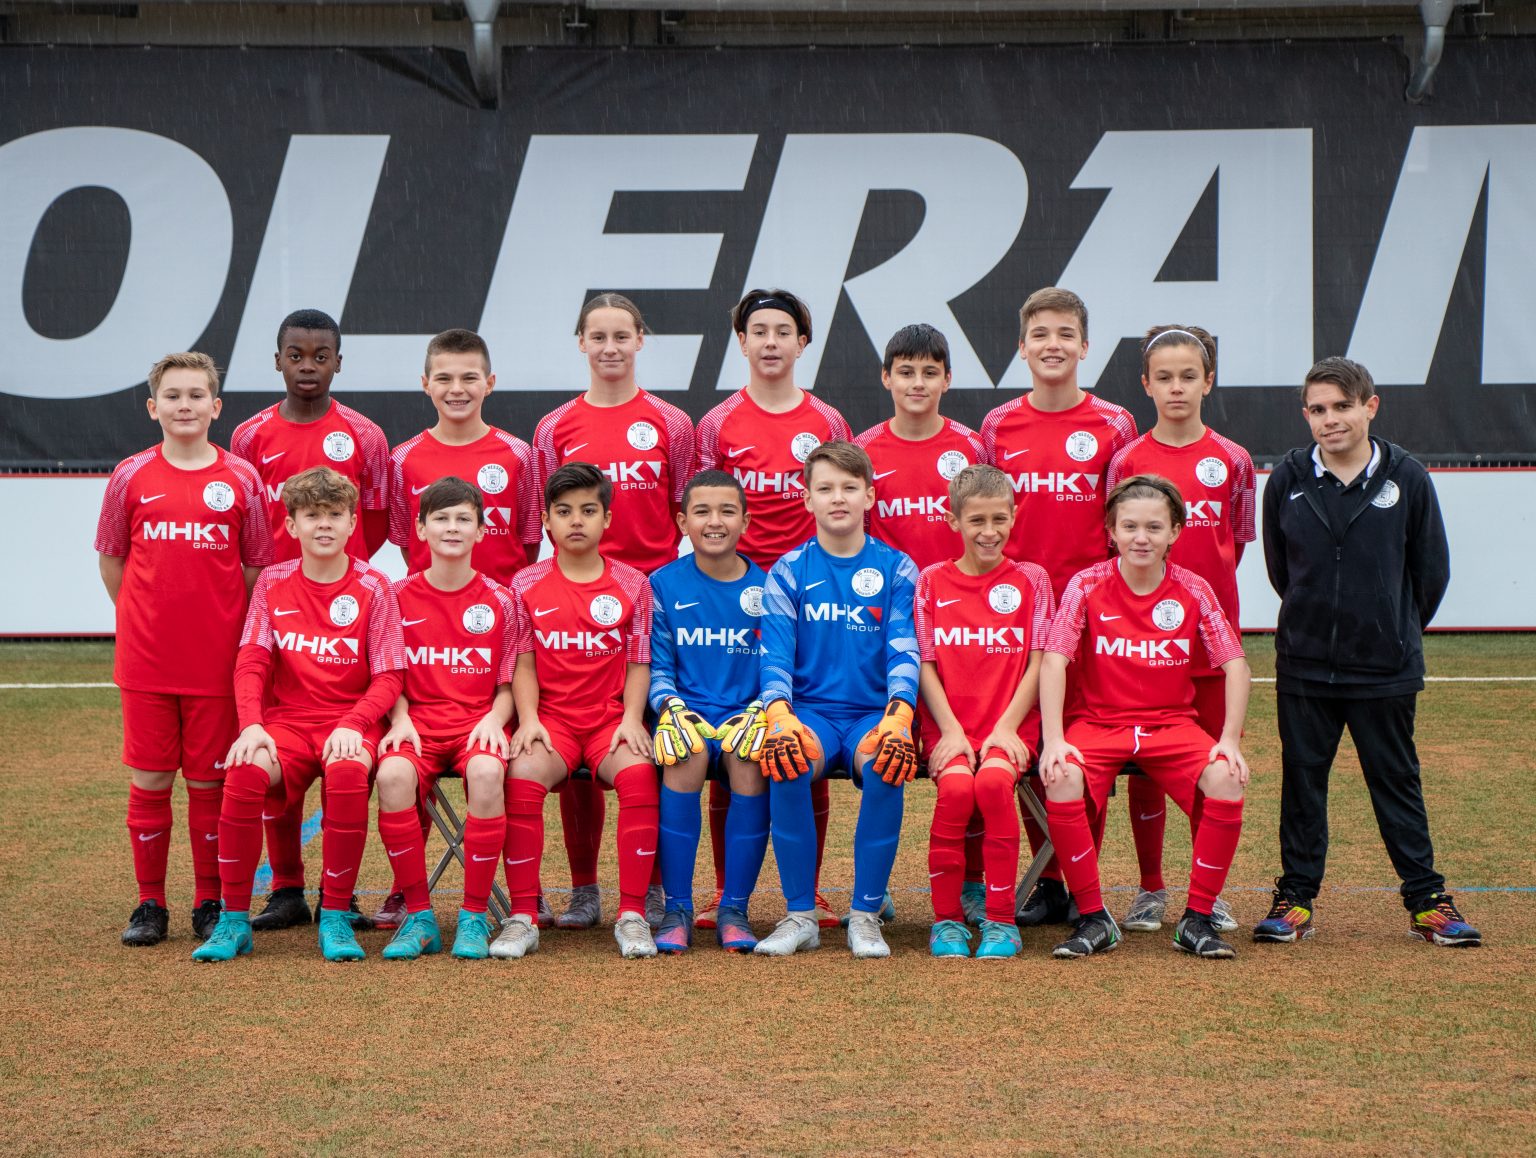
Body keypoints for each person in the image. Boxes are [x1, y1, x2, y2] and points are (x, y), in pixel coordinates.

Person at [1255, 357, 1480, 948]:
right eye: (1318, 410)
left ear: (1369, 407)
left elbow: (1430, 572)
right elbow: (1283, 571)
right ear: (1306, 415)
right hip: (1304, 667)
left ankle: (1428, 900)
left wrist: (1392, 630)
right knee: (1303, 784)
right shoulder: (1288, 478)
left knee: (1396, 780)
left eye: (1342, 407)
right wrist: (1316, 623)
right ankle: (1295, 898)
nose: (1331, 420)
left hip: (1384, 669)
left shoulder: (1407, 477)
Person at [193, 467, 405, 963]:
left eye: (335, 514)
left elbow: (390, 676)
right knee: (244, 772)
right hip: (287, 722)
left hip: (350, 719)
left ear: (354, 523)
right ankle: (232, 921)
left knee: (350, 770)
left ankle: (333, 916)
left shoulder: (376, 585)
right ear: (291, 525)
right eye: (312, 515)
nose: (324, 525)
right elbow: (252, 661)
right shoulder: (272, 582)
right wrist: (251, 725)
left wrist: (354, 725)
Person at [532, 293, 695, 933]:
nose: (609, 347)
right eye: (597, 336)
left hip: (650, 595)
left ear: (640, 341)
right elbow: (541, 512)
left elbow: (687, 503)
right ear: (580, 343)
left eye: (621, 335)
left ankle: (651, 889)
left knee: (648, 737)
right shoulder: (555, 427)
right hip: (573, 600)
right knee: (572, 740)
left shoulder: (672, 422)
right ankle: (584, 889)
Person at [97, 352, 271, 946]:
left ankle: (207, 898)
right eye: (173, 396)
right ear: (153, 408)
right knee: (149, 780)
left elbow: (254, 570)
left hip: (217, 663)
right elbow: (113, 561)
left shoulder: (242, 479)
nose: (185, 405)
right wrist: (146, 620)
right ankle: (149, 904)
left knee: (208, 784)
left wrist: (223, 629)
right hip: (146, 661)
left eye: (197, 395)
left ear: (216, 407)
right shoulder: (130, 475)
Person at [1037, 474, 1250, 959]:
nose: (1141, 537)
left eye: (1154, 527)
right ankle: (1094, 918)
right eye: (1129, 526)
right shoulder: (1087, 584)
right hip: (1099, 725)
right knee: (1062, 777)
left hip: (1172, 726)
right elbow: (1054, 659)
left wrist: (1230, 740)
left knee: (1227, 778)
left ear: (1175, 530)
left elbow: (1235, 664)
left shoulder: (1192, 588)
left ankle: (1196, 920)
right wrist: (1054, 738)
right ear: (1110, 530)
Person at [980, 287, 1138, 927]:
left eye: (1065, 334)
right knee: (1030, 741)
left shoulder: (1115, 424)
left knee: (1081, 745)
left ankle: (1079, 879)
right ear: (1022, 347)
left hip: (1091, 616)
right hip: (1015, 612)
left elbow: (1128, 523)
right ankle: (1050, 882)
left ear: (1085, 346)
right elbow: (985, 519)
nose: (1053, 345)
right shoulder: (997, 426)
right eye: (1040, 334)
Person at [230, 308, 390, 933]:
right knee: (275, 747)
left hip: (342, 605)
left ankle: (338, 895)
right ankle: (288, 888)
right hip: (274, 606)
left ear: (338, 363)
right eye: (296, 355)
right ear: (277, 361)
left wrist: (345, 582)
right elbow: (246, 529)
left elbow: (373, 519)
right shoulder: (249, 435)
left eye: (320, 356)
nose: (307, 367)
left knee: (343, 755)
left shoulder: (364, 435)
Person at [375, 328, 540, 931]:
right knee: (402, 762)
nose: (457, 388)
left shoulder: (519, 455)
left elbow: (526, 541)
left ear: (490, 383)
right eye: (444, 377)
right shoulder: (403, 458)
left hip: (499, 647)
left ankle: (527, 889)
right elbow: (400, 538)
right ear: (425, 385)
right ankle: (404, 888)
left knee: (513, 764)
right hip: (426, 644)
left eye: (470, 377)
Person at [696, 288, 851, 928]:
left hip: (809, 601)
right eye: (757, 330)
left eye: (782, 331)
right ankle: (725, 893)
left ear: (801, 343)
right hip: (737, 599)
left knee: (798, 733)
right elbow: (705, 507)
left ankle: (806, 890)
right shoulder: (717, 424)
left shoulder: (829, 422)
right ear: (741, 340)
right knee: (727, 734)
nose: (769, 342)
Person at [1105, 325, 1254, 935]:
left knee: (1209, 763)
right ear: (1145, 384)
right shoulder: (1128, 459)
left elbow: (1235, 543)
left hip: (1209, 644)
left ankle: (1205, 891)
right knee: (1143, 763)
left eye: (1188, 376)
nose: (1176, 387)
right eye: (1163, 377)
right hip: (1143, 641)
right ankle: (1149, 887)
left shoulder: (1233, 459)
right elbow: (1115, 543)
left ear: (1208, 381)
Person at [754, 441, 920, 959]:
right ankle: (801, 913)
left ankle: (866, 915)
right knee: (785, 760)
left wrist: (900, 716)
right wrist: (779, 714)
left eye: (849, 488)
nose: (838, 498)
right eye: (825, 489)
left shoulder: (898, 569)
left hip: (874, 713)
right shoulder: (786, 570)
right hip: (812, 715)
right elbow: (775, 658)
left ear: (870, 495)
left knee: (887, 762)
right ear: (806, 500)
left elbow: (904, 651)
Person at [853, 323, 991, 921]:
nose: (917, 382)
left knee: (967, 750)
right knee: (883, 755)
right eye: (905, 371)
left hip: (960, 628)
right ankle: (870, 893)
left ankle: (974, 883)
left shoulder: (970, 448)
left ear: (947, 379)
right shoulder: (863, 451)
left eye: (929, 371)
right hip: (881, 630)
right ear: (886, 378)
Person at [496, 463, 659, 960]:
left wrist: (632, 719)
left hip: (610, 721)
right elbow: (522, 662)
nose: (576, 521)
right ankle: (522, 918)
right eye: (564, 512)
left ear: (607, 518)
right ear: (546, 520)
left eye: (588, 511)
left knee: (638, 775)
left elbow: (639, 661)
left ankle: (632, 915)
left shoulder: (633, 584)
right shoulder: (525, 583)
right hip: (554, 723)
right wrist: (529, 721)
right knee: (521, 776)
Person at [372, 477, 518, 961]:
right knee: (392, 773)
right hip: (415, 724)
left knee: (487, 770)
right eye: (441, 518)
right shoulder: (394, 596)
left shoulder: (501, 598)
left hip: (478, 724)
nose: (452, 528)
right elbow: (388, 670)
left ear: (481, 531)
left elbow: (507, 683)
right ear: (420, 528)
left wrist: (496, 719)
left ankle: (474, 917)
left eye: (463, 519)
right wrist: (399, 718)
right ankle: (419, 917)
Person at [914, 466, 1053, 959]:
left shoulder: (1032, 579)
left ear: (1015, 516)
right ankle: (946, 920)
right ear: (953, 521)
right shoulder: (931, 581)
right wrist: (949, 730)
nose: (988, 531)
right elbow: (925, 665)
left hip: (1010, 724)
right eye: (976, 520)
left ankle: (1000, 920)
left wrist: (1005, 727)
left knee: (993, 784)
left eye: (999, 518)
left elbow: (1039, 661)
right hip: (949, 726)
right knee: (954, 788)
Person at [647, 470, 772, 953]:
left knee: (748, 758)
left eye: (726, 511)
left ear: (745, 520)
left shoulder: (770, 586)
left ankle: (733, 909)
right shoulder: (662, 584)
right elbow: (657, 666)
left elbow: (779, 664)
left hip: (746, 717)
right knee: (687, 753)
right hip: (687, 717)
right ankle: (676, 907)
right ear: (682, 521)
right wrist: (671, 707)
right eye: (702, 512)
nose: (714, 521)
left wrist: (762, 709)